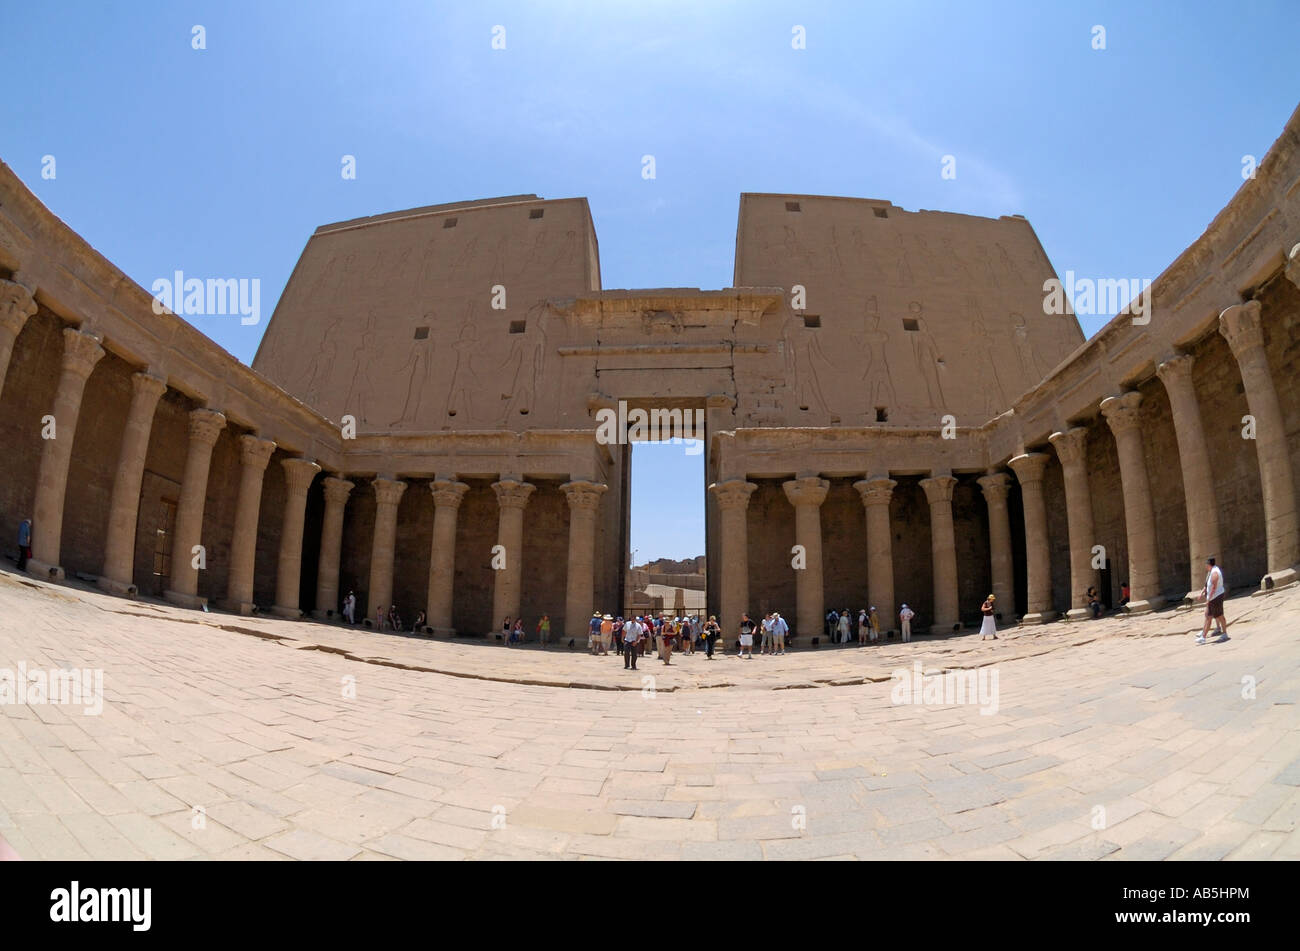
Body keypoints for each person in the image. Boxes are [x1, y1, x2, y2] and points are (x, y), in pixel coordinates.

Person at [1196, 556, 1229, 644]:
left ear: (1209, 564)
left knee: (1220, 615)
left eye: (1206, 564)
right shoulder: (1212, 571)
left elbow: (1213, 588)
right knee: (1208, 616)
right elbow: (1208, 586)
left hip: (1216, 597)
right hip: (1213, 598)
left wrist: (1209, 599)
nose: (1205, 566)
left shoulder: (1215, 573)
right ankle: (1203, 637)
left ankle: (1225, 633)